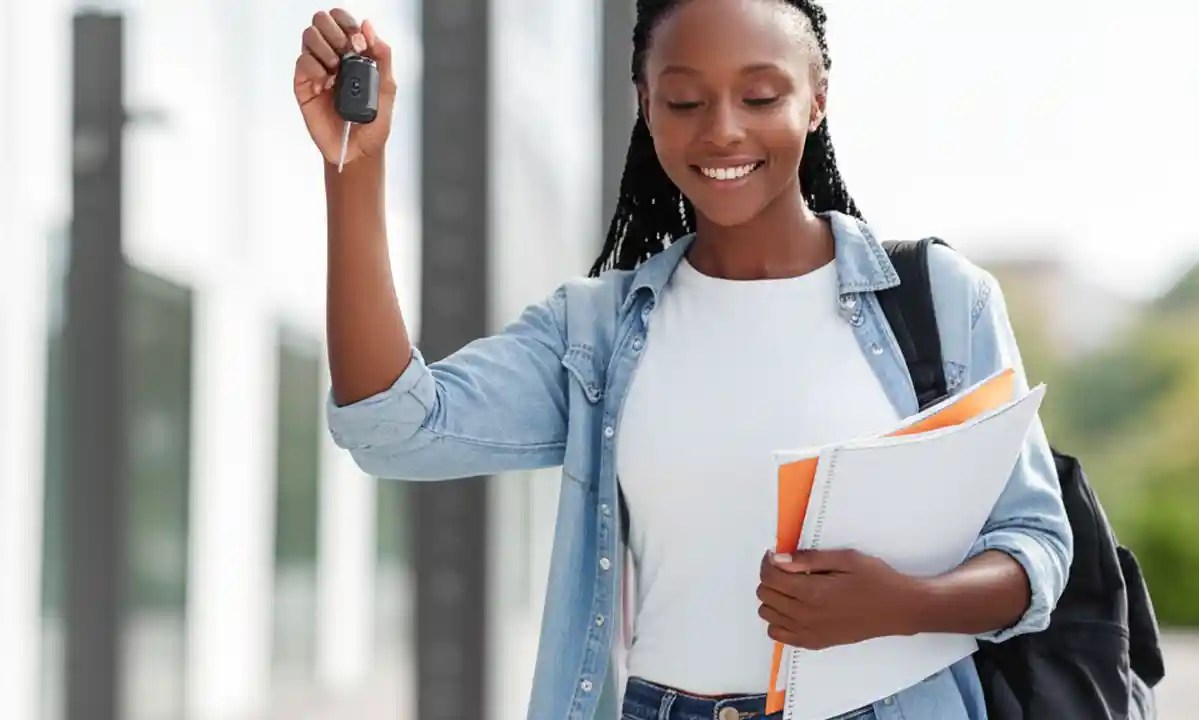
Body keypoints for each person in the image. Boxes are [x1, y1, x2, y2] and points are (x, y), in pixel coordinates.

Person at [293, 1, 1072, 718]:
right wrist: (354, 168)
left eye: (762, 97)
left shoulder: (939, 299)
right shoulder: (595, 332)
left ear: (817, 97)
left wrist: (904, 603)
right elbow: (391, 427)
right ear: (646, 106)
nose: (723, 131)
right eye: (686, 102)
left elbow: (1035, 545)